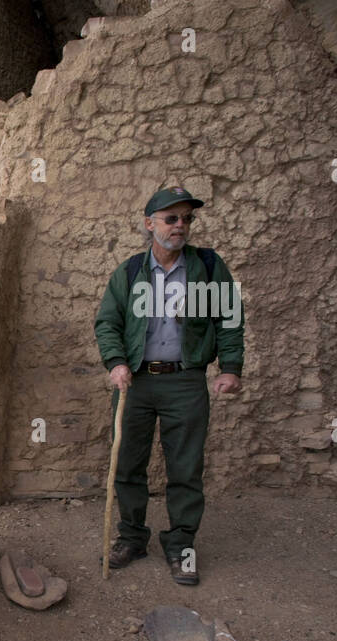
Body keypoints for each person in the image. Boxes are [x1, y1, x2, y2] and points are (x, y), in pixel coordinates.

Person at [93, 186, 244, 585]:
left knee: (185, 468)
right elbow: (108, 322)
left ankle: (181, 546)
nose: (181, 226)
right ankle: (132, 537)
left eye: (187, 219)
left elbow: (228, 318)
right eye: (171, 218)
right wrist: (117, 362)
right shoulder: (129, 272)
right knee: (127, 463)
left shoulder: (207, 267)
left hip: (185, 381)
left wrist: (230, 367)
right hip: (136, 382)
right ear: (150, 224)